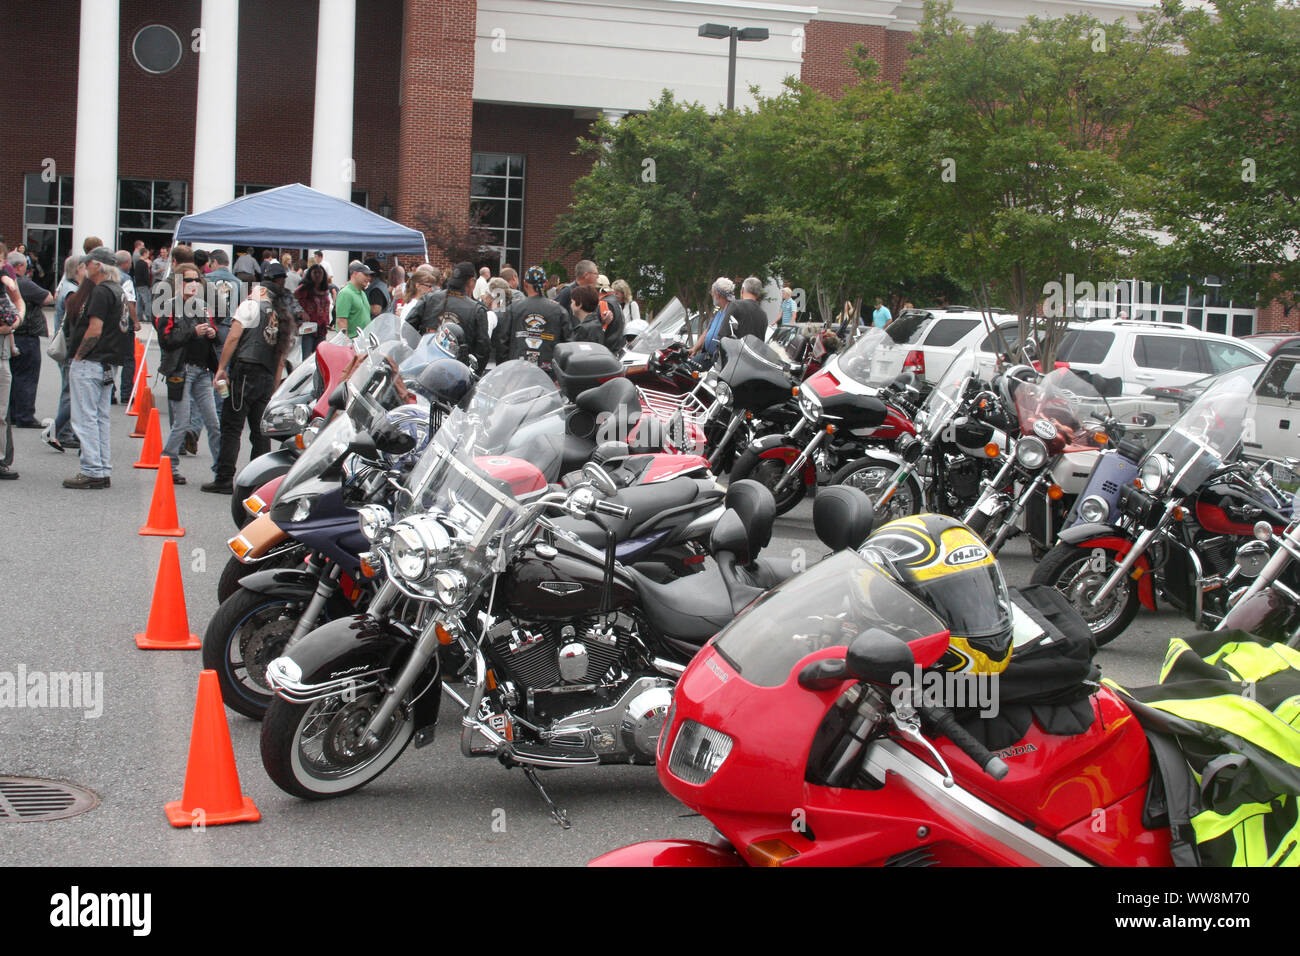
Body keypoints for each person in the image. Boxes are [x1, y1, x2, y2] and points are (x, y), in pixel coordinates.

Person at [204, 263, 302, 494]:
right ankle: (260, 481)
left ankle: (224, 477)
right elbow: (280, 358)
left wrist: (221, 368)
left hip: (245, 371)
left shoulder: (250, 306)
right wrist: (275, 388)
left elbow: (233, 338)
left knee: (232, 427)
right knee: (260, 432)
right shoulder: (282, 316)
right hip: (267, 375)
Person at [64, 247, 126, 489]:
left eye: (88, 263)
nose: (85, 266)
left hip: (92, 361)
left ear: (98, 265)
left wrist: (79, 355)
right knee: (99, 417)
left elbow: (95, 328)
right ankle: (100, 467)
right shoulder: (117, 290)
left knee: (84, 417)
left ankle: (92, 469)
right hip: (109, 361)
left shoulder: (100, 291)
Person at [159, 262, 221, 486]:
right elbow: (165, 340)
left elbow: (216, 337)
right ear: (178, 283)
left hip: (203, 371)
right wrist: (192, 332)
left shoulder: (203, 307)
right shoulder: (168, 307)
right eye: (188, 280)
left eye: (197, 280)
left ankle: (221, 471)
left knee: (213, 423)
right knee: (182, 422)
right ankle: (168, 464)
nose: (194, 284)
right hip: (181, 370)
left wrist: (212, 334)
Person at [7, 250, 53, 427]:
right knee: (27, 377)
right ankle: (25, 415)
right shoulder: (23, 284)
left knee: (11, 376)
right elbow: (48, 297)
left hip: (10, 335)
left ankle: (11, 413)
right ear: (19, 267)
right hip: (26, 335)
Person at [493, 265, 568, 369]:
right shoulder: (559, 310)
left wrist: (503, 369)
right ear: (546, 284)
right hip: (549, 372)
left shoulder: (513, 308)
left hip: (517, 370)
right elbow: (567, 344)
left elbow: (502, 342)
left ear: (524, 283)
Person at [43, 255, 83, 452]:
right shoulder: (71, 290)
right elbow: (74, 319)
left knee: (70, 390)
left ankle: (64, 431)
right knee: (71, 391)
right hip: (68, 347)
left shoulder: (67, 286)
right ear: (77, 269)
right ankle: (59, 431)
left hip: (67, 345)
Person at [0, 268, 26, 479]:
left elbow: (17, 302)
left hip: (3, 357)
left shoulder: (5, 279)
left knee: (1, 414)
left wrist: (14, 323)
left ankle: (1, 460)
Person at [113, 250, 142, 406]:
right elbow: (130, 302)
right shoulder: (126, 279)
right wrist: (135, 321)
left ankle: (110, 392)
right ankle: (126, 394)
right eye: (130, 262)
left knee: (110, 358)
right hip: (123, 323)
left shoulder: (107, 275)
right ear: (125, 263)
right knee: (128, 359)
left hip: (109, 323)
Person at [689, 277, 735, 362]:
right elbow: (708, 330)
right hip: (706, 356)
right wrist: (694, 349)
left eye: (712, 293)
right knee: (684, 369)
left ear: (718, 295)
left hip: (719, 361)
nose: (712, 296)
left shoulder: (732, 311)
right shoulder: (717, 310)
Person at [294, 263, 333, 355]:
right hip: (308, 329)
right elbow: (292, 300)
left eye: (320, 273)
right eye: (315, 273)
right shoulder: (304, 288)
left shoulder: (325, 289)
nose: (317, 275)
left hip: (322, 329)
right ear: (310, 274)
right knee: (306, 358)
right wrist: (301, 312)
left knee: (319, 357)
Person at [333, 260, 373, 338]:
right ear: (355, 274)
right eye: (365, 274)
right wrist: (347, 344)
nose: (369, 278)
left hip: (362, 343)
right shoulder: (345, 293)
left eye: (369, 275)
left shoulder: (362, 293)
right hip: (352, 343)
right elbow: (341, 321)